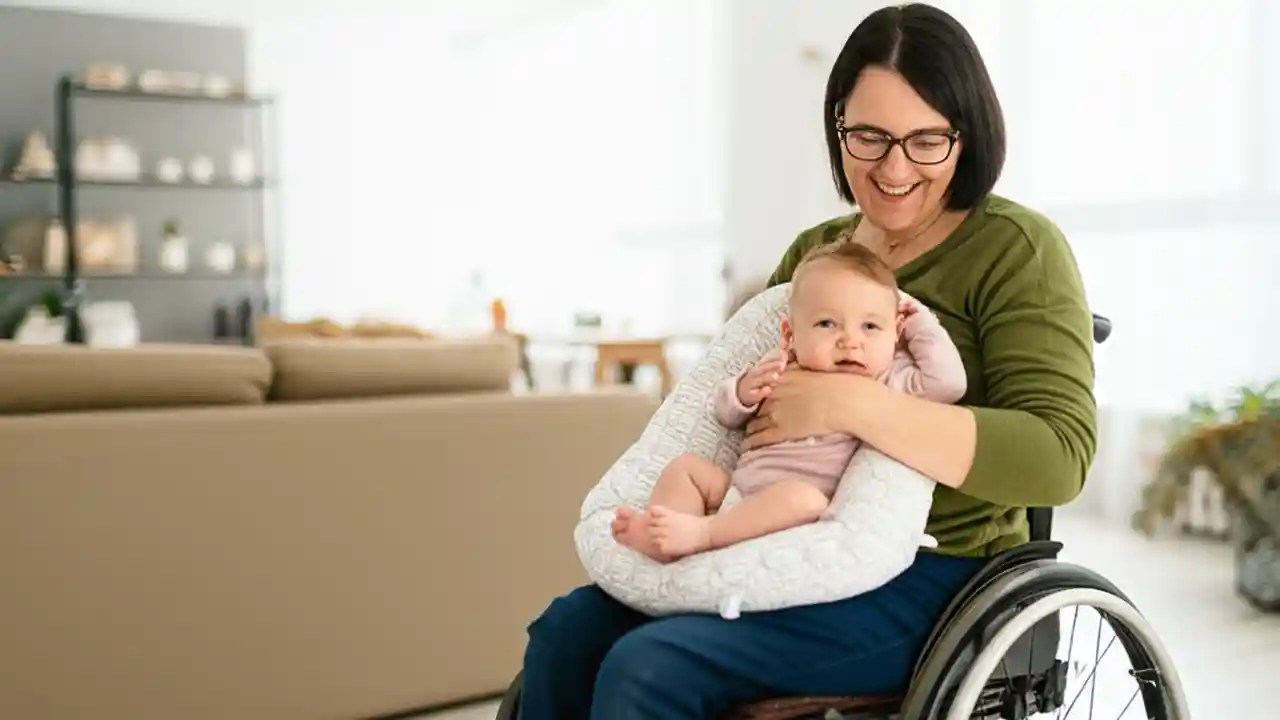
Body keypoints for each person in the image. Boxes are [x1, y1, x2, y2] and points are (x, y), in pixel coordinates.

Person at [516, 4, 1098, 718]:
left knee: (649, 668)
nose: (892, 169)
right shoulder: (813, 257)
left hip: (935, 571)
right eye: (869, 136)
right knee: (565, 633)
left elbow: (1059, 457)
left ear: (966, 135)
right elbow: (745, 418)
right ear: (837, 127)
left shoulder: (1016, 250)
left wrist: (852, 404)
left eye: (926, 141)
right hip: (773, 535)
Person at [610, 240, 967, 563]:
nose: (850, 341)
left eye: (870, 327)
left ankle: (701, 534)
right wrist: (743, 393)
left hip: (795, 508)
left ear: (895, 332)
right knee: (686, 468)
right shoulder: (779, 366)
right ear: (790, 335)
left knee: (803, 499)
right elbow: (724, 412)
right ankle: (665, 537)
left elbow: (947, 383)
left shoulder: (886, 380)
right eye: (828, 324)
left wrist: (921, 323)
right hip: (737, 491)